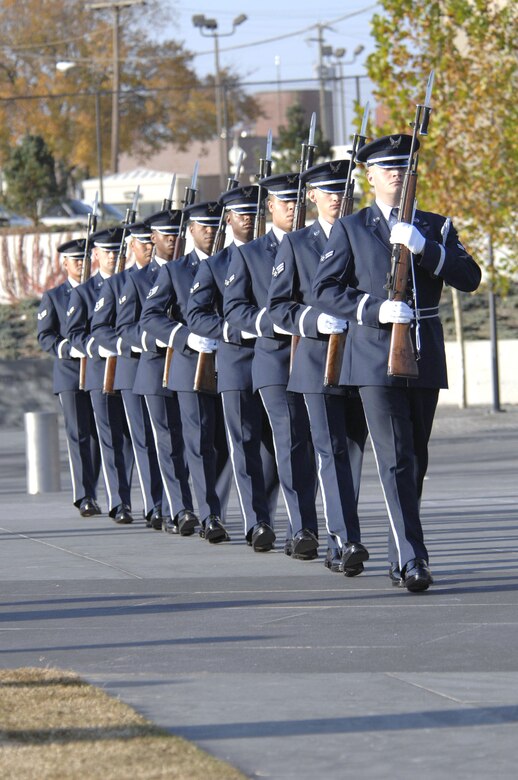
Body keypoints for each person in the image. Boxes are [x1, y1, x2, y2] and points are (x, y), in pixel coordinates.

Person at [312, 133, 482, 592]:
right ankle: (413, 559)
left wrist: (427, 249)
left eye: (404, 167)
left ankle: (398, 554)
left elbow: (470, 278)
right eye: (387, 168)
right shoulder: (352, 228)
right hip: (372, 356)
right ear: (369, 176)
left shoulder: (436, 225)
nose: (397, 174)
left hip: (423, 352)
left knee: (416, 460)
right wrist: (373, 309)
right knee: (394, 457)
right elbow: (325, 289)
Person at [266, 162, 369, 576]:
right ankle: (345, 540)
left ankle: (340, 538)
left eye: (343, 190)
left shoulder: (366, 235)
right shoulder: (296, 243)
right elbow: (278, 306)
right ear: (313, 197)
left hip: (362, 360)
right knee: (330, 452)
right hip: (315, 360)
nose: (337, 198)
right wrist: (312, 320)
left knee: (355, 455)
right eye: (328, 191)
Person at [224, 174, 320, 562]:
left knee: (314, 444)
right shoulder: (250, 254)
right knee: (291, 440)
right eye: (286, 203)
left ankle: (309, 525)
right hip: (275, 359)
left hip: (314, 356)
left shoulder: (321, 244)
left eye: (299, 202)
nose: (294, 209)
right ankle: (301, 529)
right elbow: (234, 310)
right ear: (272, 208)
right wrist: (273, 322)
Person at [186, 187, 279, 552]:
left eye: (255, 212)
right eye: (242, 214)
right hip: (237, 359)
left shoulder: (277, 254)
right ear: (229, 219)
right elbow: (196, 313)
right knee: (242, 444)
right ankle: (257, 522)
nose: (249, 219)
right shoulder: (215, 263)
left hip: (275, 358)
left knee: (277, 446)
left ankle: (267, 511)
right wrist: (227, 329)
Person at [140, 201, 233, 544]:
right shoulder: (175, 270)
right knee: (197, 442)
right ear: (190, 230)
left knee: (227, 445)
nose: (210, 231)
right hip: (191, 367)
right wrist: (184, 337)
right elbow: (150, 316)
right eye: (203, 226)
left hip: (233, 365)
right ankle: (208, 515)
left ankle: (221, 508)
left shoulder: (234, 261)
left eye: (214, 226)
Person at [116, 209, 195, 536]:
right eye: (166, 236)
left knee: (197, 441)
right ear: (153, 240)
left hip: (191, 366)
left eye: (177, 235)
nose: (172, 241)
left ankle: (196, 505)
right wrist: (163, 337)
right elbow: (125, 328)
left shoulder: (193, 271)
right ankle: (176, 509)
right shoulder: (136, 279)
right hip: (154, 368)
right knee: (166, 442)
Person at [90, 221, 163, 529]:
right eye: (143, 243)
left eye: (152, 241)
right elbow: (102, 329)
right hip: (132, 370)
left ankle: (173, 502)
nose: (149, 246)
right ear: (132, 245)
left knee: (168, 441)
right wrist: (131, 344)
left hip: (165, 368)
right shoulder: (119, 283)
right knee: (142, 440)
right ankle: (152, 505)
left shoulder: (169, 274)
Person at [65, 227, 135, 524]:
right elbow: (74, 335)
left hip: (131, 371)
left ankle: (153, 502)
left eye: (118, 251)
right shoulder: (83, 293)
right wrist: (99, 346)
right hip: (101, 374)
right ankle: (120, 503)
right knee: (111, 441)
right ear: (96, 255)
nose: (114, 257)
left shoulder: (132, 283)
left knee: (136, 441)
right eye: (108, 252)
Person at [37, 238, 101, 517]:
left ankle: (98, 489)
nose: (82, 265)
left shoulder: (101, 290)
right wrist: (68, 348)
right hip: (70, 373)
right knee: (79, 435)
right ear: (65, 264)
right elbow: (45, 335)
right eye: (76, 260)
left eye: (86, 259)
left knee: (101, 435)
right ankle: (84, 495)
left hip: (99, 371)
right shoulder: (54, 296)